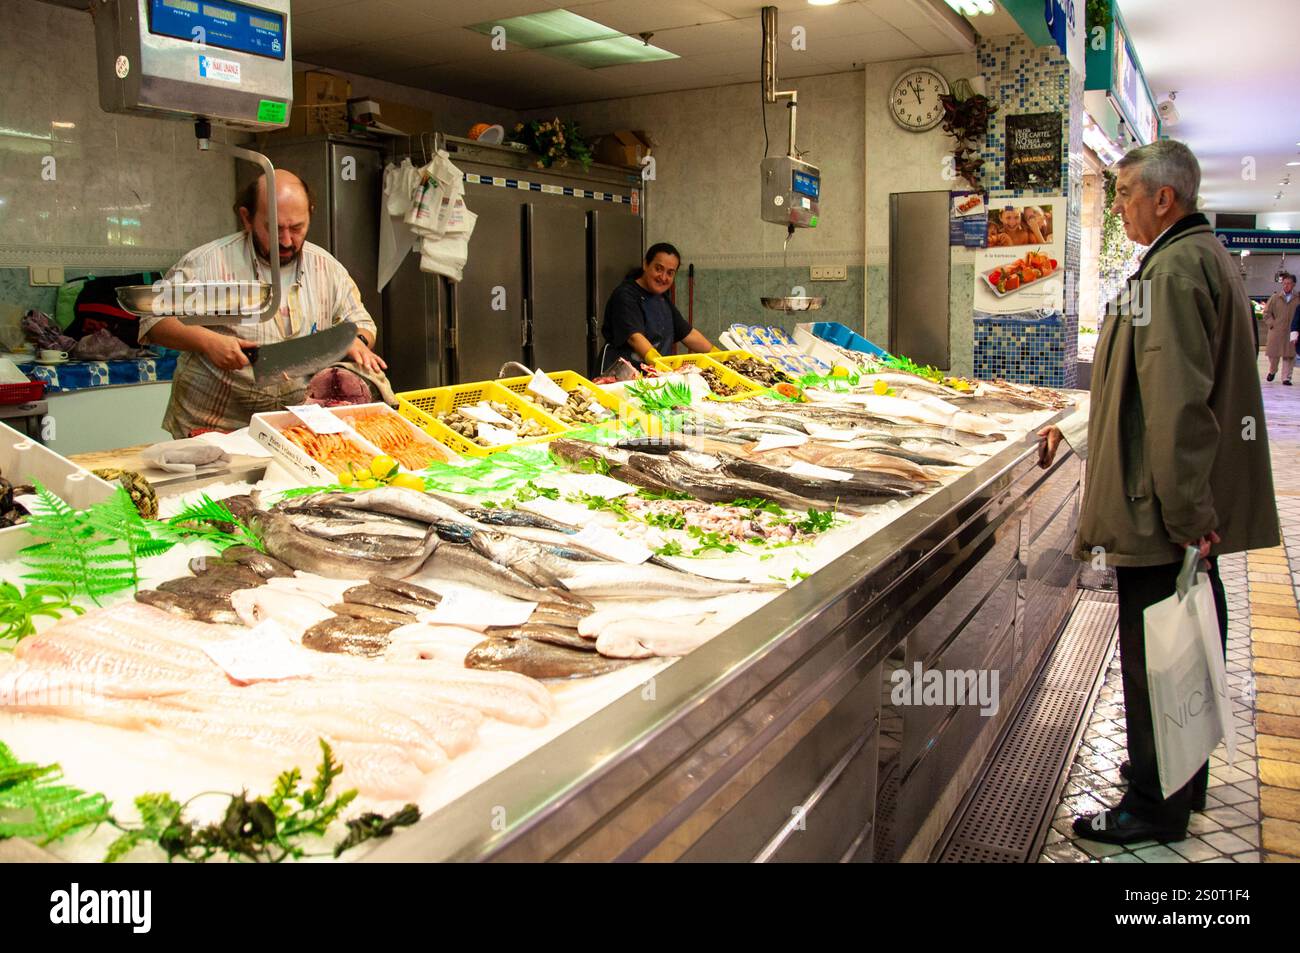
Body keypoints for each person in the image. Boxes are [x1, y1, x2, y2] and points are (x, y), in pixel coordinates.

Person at [1037, 139, 1278, 845]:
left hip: (1158, 510)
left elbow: (1177, 407)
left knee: (1155, 657)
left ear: (1163, 198)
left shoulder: (1172, 272)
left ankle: (1152, 804)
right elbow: (1145, 384)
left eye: (1123, 192)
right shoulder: (1199, 259)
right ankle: (1177, 776)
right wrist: (1078, 427)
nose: (1117, 205)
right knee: (1185, 650)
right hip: (1171, 506)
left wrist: (1186, 514)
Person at [140, 170, 386, 438]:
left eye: (297, 228)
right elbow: (154, 321)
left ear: (310, 214)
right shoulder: (206, 264)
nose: (287, 240)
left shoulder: (327, 268)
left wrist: (352, 340)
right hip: (215, 425)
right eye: (274, 228)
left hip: (293, 427)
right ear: (247, 218)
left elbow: (361, 323)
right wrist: (208, 342)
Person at [600, 243, 712, 371]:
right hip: (619, 377)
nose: (663, 277)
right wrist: (662, 366)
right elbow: (634, 337)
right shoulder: (625, 295)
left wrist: (719, 356)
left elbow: (688, 334)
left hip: (651, 376)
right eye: (658, 269)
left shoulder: (662, 299)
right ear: (645, 264)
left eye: (670, 273)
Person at [1263, 272, 1298, 384]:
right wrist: (1271, 324)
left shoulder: (1298, 298)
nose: (1286, 286)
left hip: (1291, 331)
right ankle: (1272, 371)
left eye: (1288, 283)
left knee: (1289, 356)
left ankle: (1286, 378)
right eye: (1284, 283)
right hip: (1276, 331)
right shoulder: (1275, 298)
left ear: (1294, 284)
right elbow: (1267, 313)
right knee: (1274, 355)